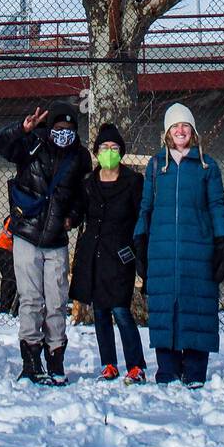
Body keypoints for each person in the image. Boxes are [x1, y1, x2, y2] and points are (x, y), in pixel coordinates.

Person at [0, 97, 92, 385]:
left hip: (56, 239)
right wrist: (20, 130)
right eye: (58, 128)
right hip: (27, 234)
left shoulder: (78, 157)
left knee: (57, 301)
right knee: (31, 300)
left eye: (69, 130)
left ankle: (56, 358)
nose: (63, 134)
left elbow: (81, 195)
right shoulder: (32, 145)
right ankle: (31, 360)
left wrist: (72, 217)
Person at [133, 102, 224, 388]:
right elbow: (146, 207)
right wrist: (140, 240)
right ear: (166, 132)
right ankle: (168, 369)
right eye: (175, 126)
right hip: (162, 250)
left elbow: (216, 205)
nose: (180, 130)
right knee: (165, 308)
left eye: (185, 125)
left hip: (197, 248)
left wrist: (222, 241)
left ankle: (195, 369)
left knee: (197, 306)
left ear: (193, 131)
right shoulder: (154, 166)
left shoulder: (206, 165)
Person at [69, 123, 147, 384]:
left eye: (114, 147)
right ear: (97, 152)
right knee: (100, 311)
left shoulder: (134, 182)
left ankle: (136, 365)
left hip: (121, 256)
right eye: (104, 147)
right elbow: (78, 212)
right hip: (94, 256)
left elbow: (140, 218)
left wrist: (136, 250)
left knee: (121, 311)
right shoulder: (88, 183)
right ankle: (109, 364)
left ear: (121, 152)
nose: (109, 152)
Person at [0, 215, 18, 315]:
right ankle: (4, 309)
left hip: (10, 249)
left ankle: (14, 309)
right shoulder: (17, 215)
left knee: (17, 279)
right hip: (4, 249)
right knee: (10, 278)